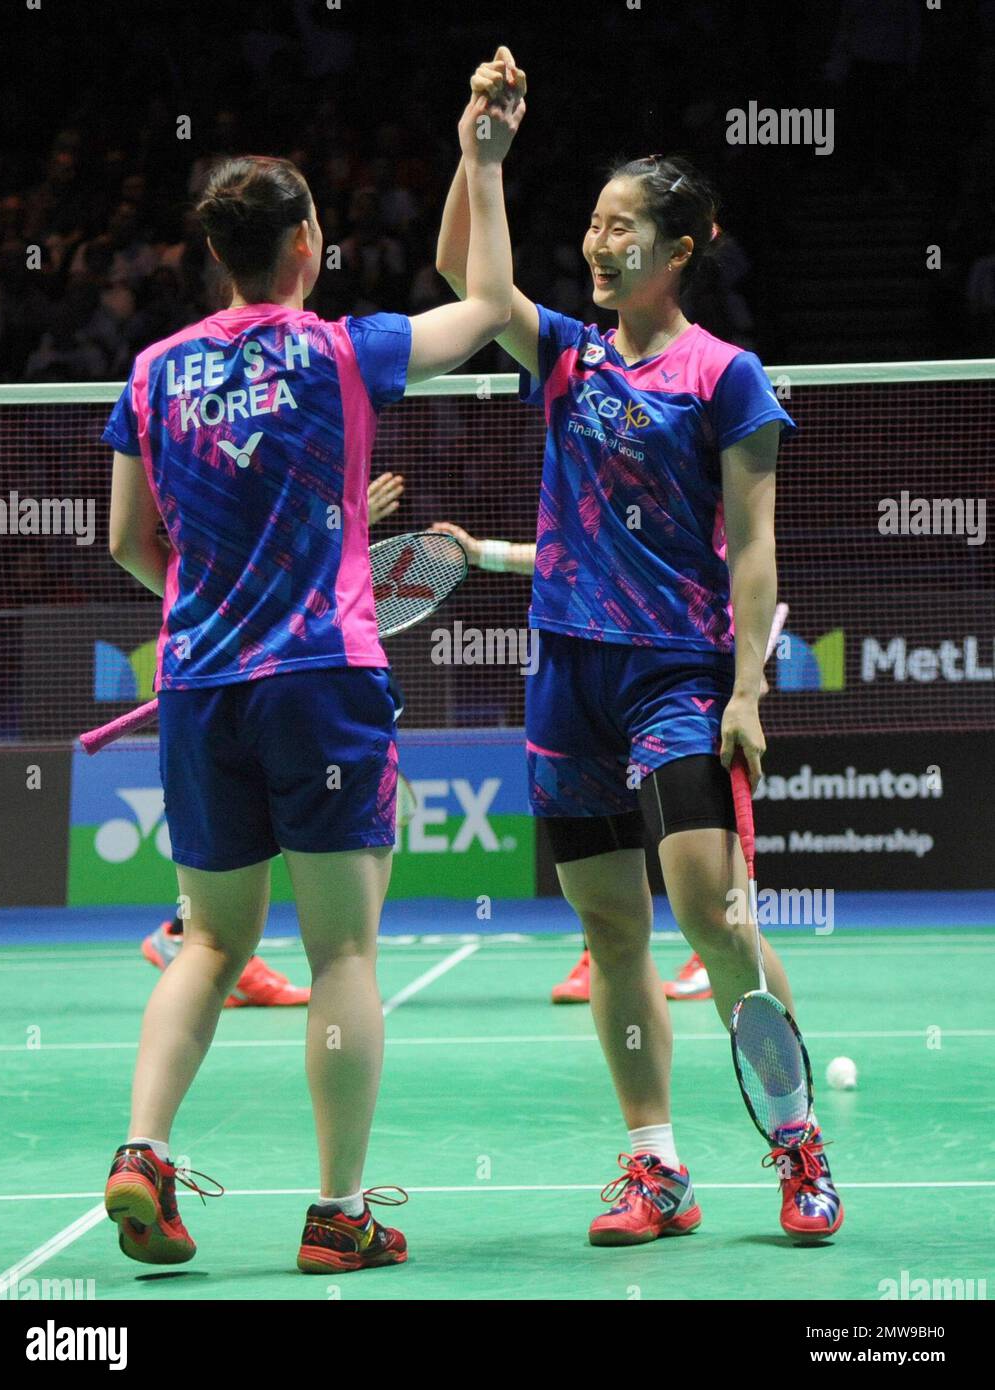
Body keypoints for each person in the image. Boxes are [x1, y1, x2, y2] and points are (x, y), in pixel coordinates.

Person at [101, 68, 523, 1275]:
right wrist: (480, 154)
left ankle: (143, 1150)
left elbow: (134, 544)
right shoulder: (347, 349)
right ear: (304, 245)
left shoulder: (151, 370)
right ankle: (338, 1213)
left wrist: (200, 605)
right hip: (321, 679)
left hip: (196, 688)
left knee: (208, 945)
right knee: (341, 955)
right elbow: (490, 300)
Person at [435, 49, 841, 1246]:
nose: (597, 241)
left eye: (621, 227)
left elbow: (755, 549)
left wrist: (750, 690)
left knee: (712, 915)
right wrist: (479, 153)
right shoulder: (564, 350)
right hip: (566, 668)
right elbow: (470, 274)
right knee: (609, 928)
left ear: (675, 249)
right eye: (593, 223)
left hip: (674, 665)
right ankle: (653, 1163)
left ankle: (794, 1143)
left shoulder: (725, 376)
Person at [143, 472, 407, 1009]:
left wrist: (343, 526)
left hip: (214, 677)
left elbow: (132, 542)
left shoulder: (170, 409)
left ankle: (190, 936)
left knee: (223, 908)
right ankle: (186, 934)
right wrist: (344, 523)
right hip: (289, 672)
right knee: (341, 950)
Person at [432, 519, 716, 1006]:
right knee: (610, 863)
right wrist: (481, 551)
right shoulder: (595, 511)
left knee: (697, 856)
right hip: (589, 684)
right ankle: (602, 948)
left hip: (675, 677)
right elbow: (567, 560)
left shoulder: (684, 511)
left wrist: (747, 675)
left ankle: (714, 945)